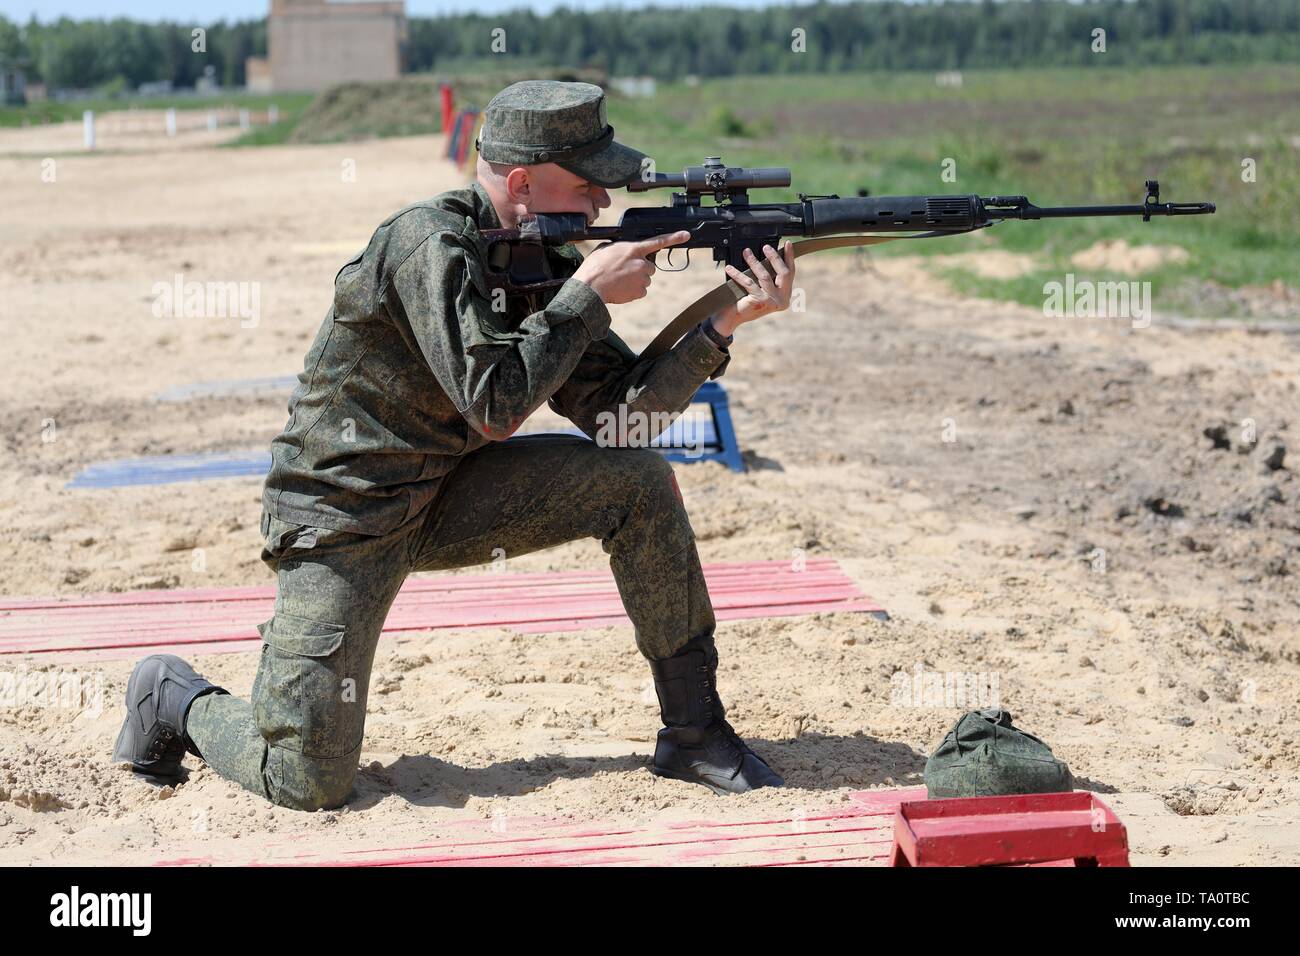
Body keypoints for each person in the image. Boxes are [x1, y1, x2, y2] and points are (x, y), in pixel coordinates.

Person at [113, 80, 797, 810]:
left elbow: (616, 419)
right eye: (588, 182)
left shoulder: (547, 263)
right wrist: (589, 298)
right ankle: (173, 698)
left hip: (446, 492)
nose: (603, 202)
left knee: (636, 479)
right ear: (525, 182)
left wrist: (723, 322)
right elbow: (495, 402)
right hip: (343, 519)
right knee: (307, 781)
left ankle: (694, 734)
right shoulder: (426, 246)